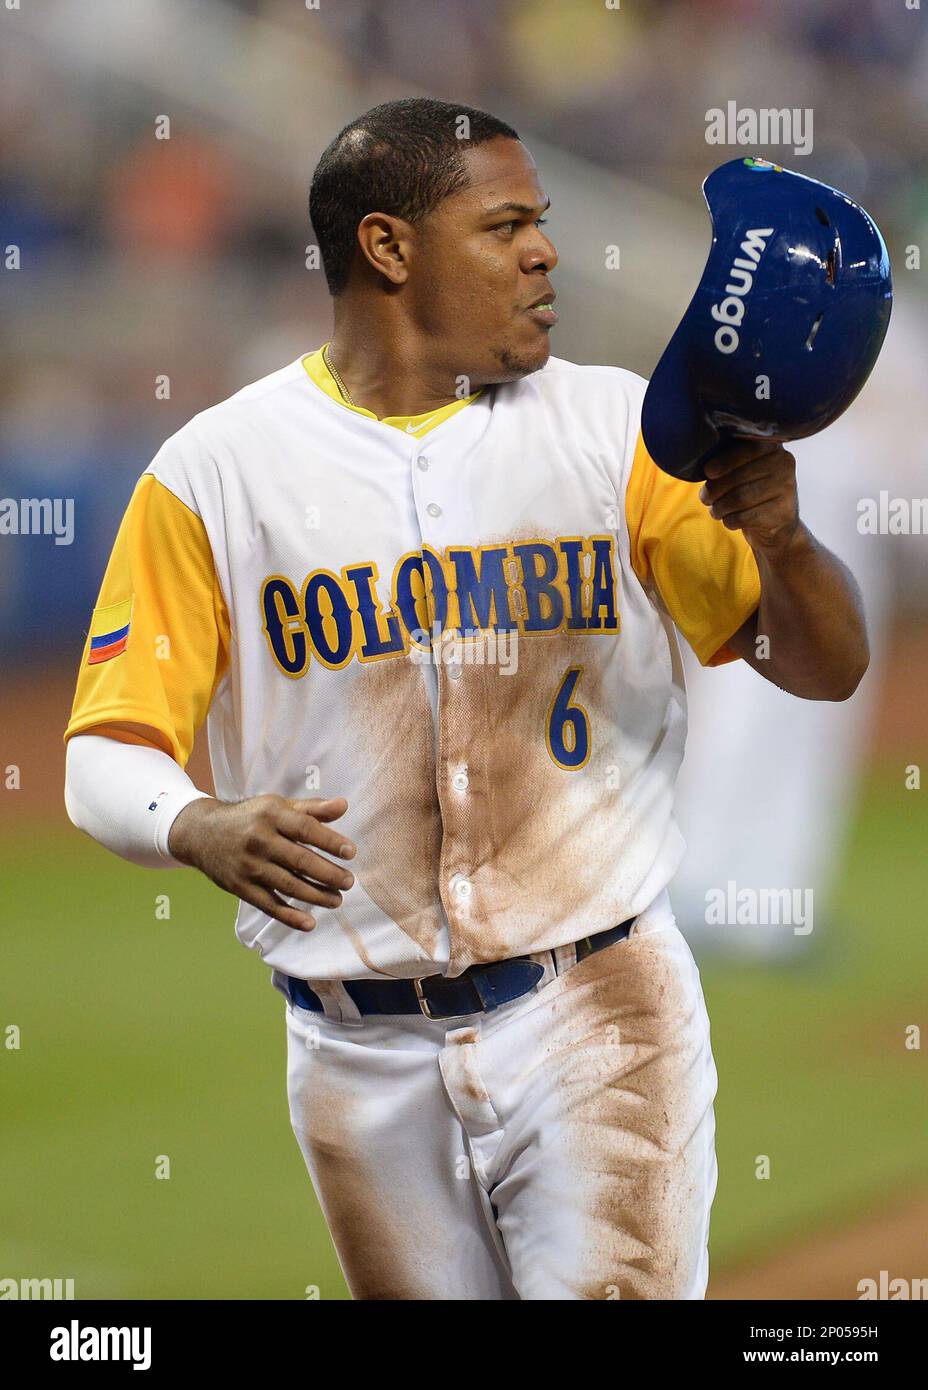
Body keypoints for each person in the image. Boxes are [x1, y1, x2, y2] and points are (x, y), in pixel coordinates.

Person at [63, 97, 868, 1300]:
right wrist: (195, 822)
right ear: (388, 249)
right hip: (352, 1054)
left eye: (539, 224)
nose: (545, 251)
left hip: (598, 1016)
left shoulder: (617, 434)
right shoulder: (214, 476)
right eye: (504, 226)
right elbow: (99, 758)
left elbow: (823, 664)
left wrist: (785, 538)